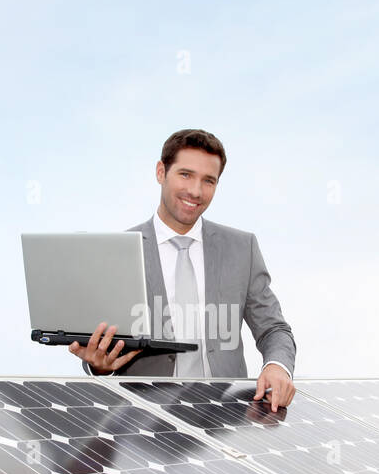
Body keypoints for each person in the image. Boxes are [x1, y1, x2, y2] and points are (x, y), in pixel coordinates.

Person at [70, 129, 297, 412]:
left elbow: (273, 328)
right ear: (160, 172)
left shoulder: (242, 248)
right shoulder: (116, 253)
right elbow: (99, 343)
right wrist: (99, 367)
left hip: (225, 418)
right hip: (143, 423)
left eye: (208, 181)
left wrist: (277, 366)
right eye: (185, 175)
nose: (196, 191)